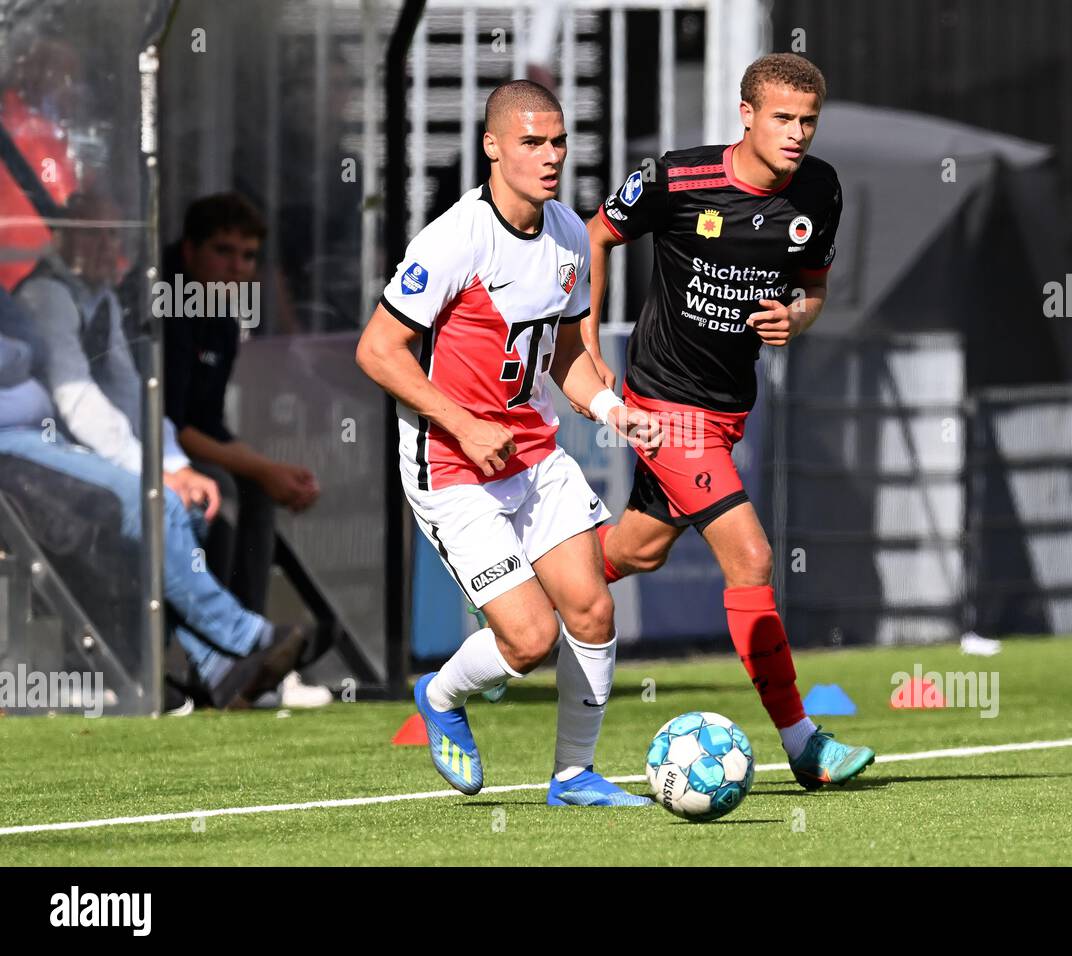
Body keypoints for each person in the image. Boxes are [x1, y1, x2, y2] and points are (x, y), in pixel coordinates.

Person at [356, 79, 662, 805]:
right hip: (454, 465)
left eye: (558, 141)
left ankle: (574, 775)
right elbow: (377, 350)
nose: (550, 156)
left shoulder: (568, 236)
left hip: (533, 453)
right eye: (532, 142)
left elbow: (562, 356)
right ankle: (439, 696)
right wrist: (462, 421)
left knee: (591, 608)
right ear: (492, 146)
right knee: (528, 638)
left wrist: (614, 409)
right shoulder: (455, 238)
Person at [580, 53, 876, 791]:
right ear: (746, 115)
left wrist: (795, 317)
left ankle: (521, 604)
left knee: (636, 552)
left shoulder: (821, 188)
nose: (797, 133)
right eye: (783, 117)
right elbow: (594, 236)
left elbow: (813, 291)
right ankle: (805, 744)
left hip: (727, 407)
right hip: (663, 403)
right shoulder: (677, 180)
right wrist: (584, 342)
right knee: (750, 558)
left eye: (808, 120)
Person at [0, 289, 308, 710]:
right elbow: (75, 398)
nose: (111, 248)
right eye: (99, 231)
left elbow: (133, 395)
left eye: (114, 233)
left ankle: (217, 668)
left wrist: (174, 466)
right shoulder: (47, 297)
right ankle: (242, 637)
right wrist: (152, 473)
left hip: (48, 437)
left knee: (192, 507)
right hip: (14, 446)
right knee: (155, 506)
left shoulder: (97, 298)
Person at [163, 193, 320, 615]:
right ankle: (220, 651)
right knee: (224, 490)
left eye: (248, 256)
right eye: (223, 251)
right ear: (189, 250)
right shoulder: (166, 304)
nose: (237, 267)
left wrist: (273, 472)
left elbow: (207, 424)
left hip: (178, 449)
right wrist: (265, 470)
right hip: (138, 452)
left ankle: (251, 649)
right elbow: (173, 426)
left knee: (254, 489)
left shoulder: (222, 320)